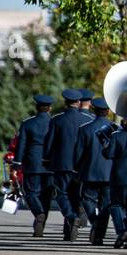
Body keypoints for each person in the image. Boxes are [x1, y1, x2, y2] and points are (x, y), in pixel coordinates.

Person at [42, 88, 90, 241]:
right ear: (79, 102)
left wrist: (46, 160)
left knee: (62, 194)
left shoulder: (57, 119)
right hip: (81, 164)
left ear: (65, 103)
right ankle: (69, 232)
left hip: (62, 164)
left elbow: (49, 144)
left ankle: (70, 217)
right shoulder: (87, 120)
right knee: (75, 196)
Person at [73, 97, 114, 245]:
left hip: (90, 171)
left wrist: (76, 169)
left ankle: (95, 222)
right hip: (110, 173)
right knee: (106, 204)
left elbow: (79, 153)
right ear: (108, 111)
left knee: (87, 199)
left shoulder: (85, 128)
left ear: (93, 110)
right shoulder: (116, 128)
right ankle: (99, 233)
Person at [14, 93, 54, 236]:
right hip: (50, 164)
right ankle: (40, 225)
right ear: (50, 108)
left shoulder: (28, 123)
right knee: (46, 196)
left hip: (32, 162)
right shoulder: (54, 122)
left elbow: (21, 145)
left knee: (31, 193)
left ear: (37, 107)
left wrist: (17, 162)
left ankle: (38, 214)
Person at [100, 113, 127, 248]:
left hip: (120, 177)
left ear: (125, 120)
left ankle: (122, 231)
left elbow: (108, 154)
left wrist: (105, 142)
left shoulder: (117, 135)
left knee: (116, 205)